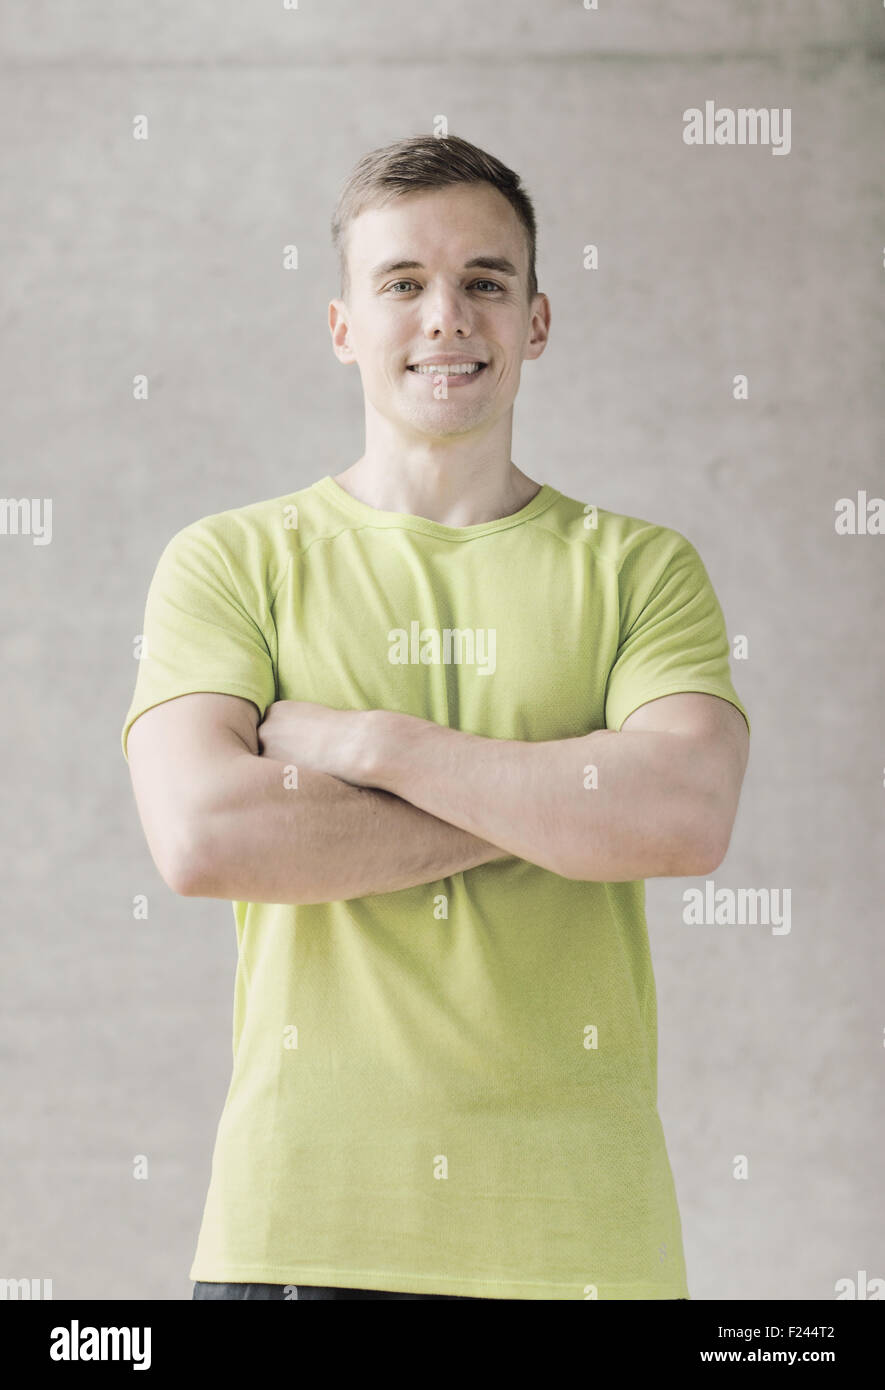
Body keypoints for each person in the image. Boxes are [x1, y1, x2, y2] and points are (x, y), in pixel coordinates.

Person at [121, 133, 749, 1301]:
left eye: (485, 282)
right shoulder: (232, 561)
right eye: (403, 283)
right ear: (344, 326)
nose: (447, 316)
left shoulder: (641, 570)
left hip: (582, 1248)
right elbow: (207, 836)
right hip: (297, 1235)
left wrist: (376, 749)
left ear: (538, 321)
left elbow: (686, 815)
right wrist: (565, 797)